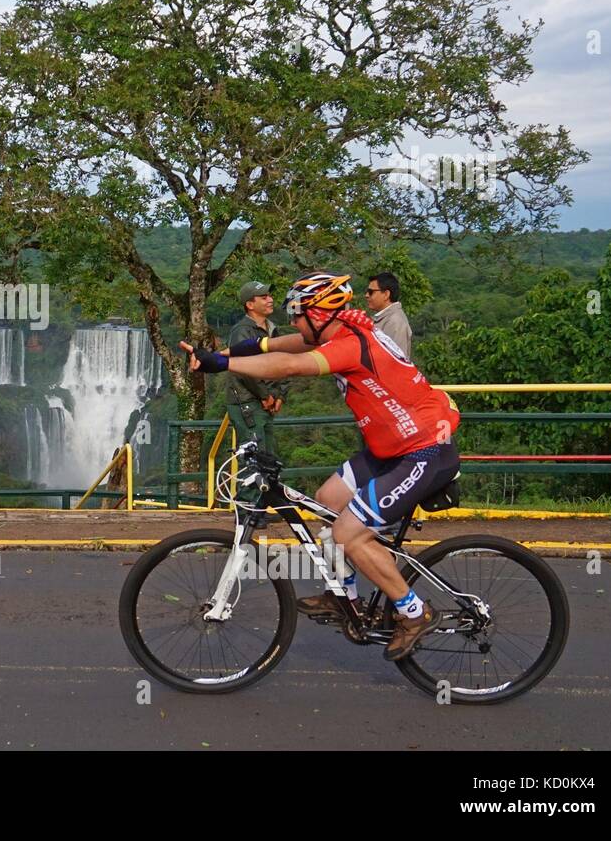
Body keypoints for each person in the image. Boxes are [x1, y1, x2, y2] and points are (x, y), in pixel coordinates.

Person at [179, 272, 461, 661]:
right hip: (390, 446)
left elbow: (288, 365)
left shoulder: (349, 344)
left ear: (318, 314)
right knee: (328, 499)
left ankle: (414, 612)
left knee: (348, 534)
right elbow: (281, 344)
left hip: (423, 450)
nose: (292, 320)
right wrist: (231, 352)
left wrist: (224, 365)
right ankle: (344, 595)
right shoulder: (340, 327)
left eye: (297, 313)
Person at [225, 281, 288, 455]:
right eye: (264, 297)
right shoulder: (241, 331)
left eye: (269, 296)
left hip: (267, 404)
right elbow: (245, 368)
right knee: (254, 460)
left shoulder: (272, 329)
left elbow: (283, 362)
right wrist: (265, 395)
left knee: (269, 459)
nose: (270, 299)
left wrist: (280, 395)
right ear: (250, 304)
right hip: (248, 403)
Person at [366, 272, 412, 358]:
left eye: (371, 292)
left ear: (386, 294)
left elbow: (396, 361)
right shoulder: (384, 318)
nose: (366, 295)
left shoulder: (396, 322)